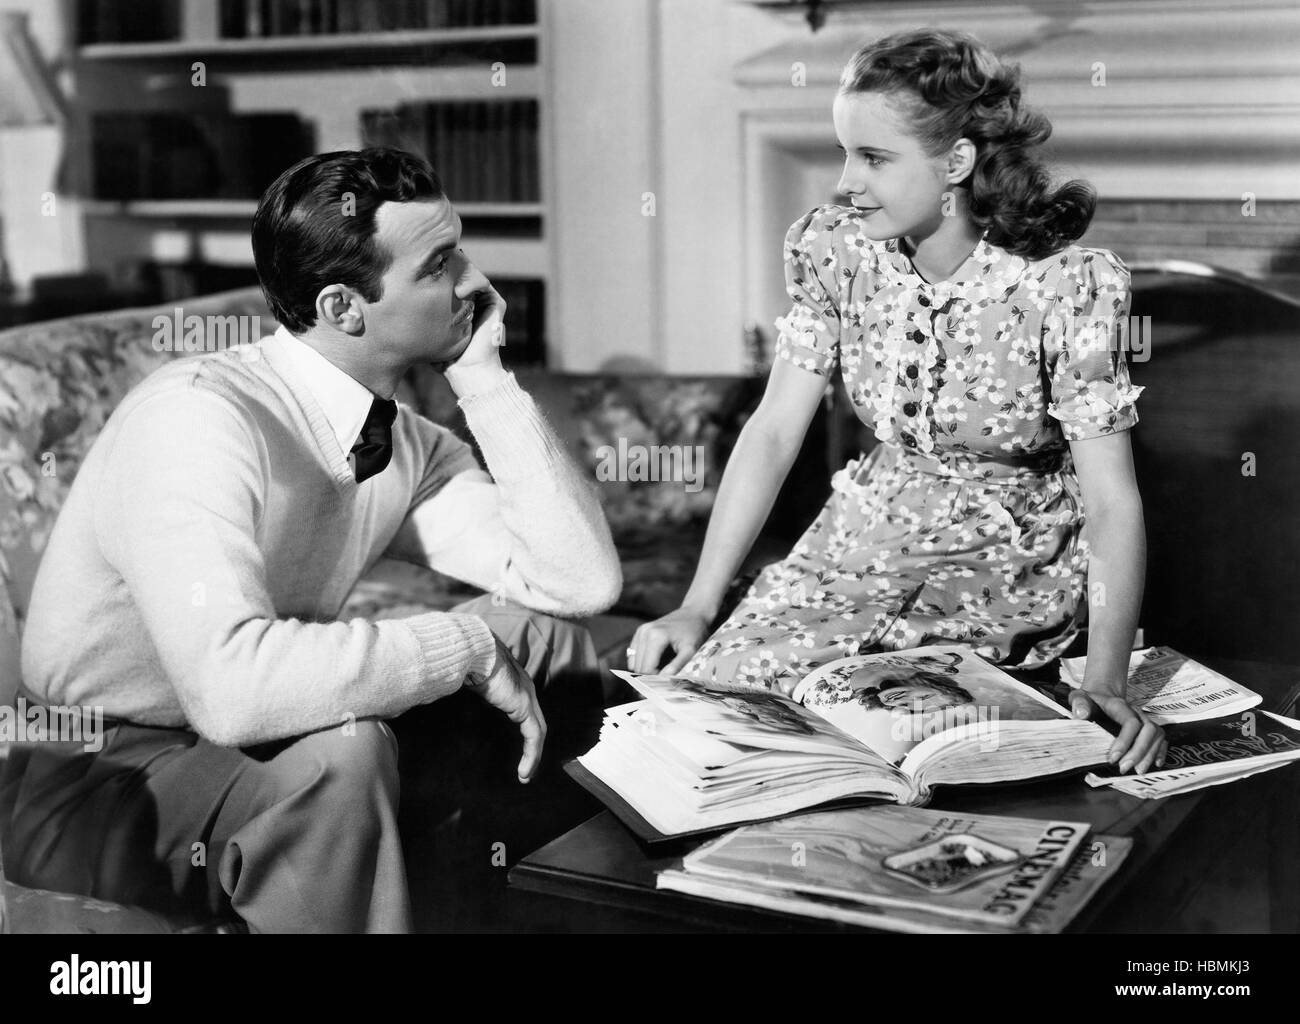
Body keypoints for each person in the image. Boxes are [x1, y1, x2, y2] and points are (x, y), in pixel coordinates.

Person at [0, 148, 622, 932]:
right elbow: (231, 692)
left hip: (245, 740)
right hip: (98, 782)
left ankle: (545, 912)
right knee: (343, 755)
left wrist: (486, 381)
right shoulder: (196, 419)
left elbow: (580, 582)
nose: (474, 283)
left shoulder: (399, 439)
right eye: (439, 265)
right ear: (342, 308)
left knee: (545, 642)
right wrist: (458, 647)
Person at [629, 29, 1164, 776]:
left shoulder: (1065, 288)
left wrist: (1106, 679)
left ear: (957, 162)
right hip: (861, 534)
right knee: (717, 697)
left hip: (1007, 562)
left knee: (876, 735)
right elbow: (773, 432)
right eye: (844, 152)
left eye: (874, 158)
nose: (846, 181)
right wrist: (698, 602)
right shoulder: (835, 251)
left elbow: (1111, 501)